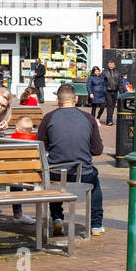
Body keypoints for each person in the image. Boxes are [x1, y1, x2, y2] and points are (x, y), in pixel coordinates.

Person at [39, 82, 104, 237]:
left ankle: (57, 219)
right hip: (82, 172)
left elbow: (41, 144)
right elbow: (97, 150)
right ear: (75, 99)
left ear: (57, 101)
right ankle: (96, 225)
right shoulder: (88, 118)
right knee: (95, 182)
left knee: (54, 181)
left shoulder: (49, 117)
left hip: (56, 171)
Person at [8, 116, 39, 223]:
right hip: (34, 176)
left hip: (16, 176)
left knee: (15, 177)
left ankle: (17, 212)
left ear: (16, 129)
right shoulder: (35, 141)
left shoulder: (12, 140)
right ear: (32, 130)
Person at [101, 60, 122, 125]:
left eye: (112, 65)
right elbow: (101, 82)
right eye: (110, 64)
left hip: (115, 91)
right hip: (108, 91)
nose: (111, 66)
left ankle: (110, 119)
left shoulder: (117, 73)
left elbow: (120, 82)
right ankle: (109, 120)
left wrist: (121, 91)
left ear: (114, 65)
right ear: (108, 65)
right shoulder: (104, 72)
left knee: (113, 106)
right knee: (109, 105)